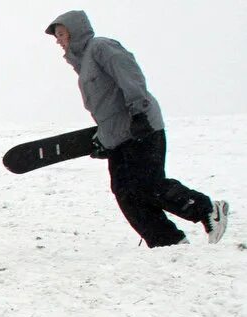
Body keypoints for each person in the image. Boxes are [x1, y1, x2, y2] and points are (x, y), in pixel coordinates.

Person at [46, 10, 228, 246]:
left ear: (76, 31)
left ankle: (208, 210)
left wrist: (140, 112)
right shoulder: (83, 67)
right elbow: (108, 110)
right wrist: (105, 140)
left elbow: (129, 76)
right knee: (126, 193)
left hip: (141, 128)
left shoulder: (101, 47)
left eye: (61, 34)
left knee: (147, 184)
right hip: (120, 139)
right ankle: (168, 243)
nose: (59, 40)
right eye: (57, 37)